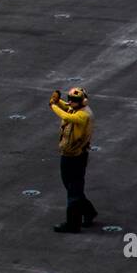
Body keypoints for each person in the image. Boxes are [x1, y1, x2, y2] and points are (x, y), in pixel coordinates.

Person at [48, 88, 97, 233]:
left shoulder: (83, 115)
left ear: (83, 101)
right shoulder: (75, 107)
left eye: (73, 100)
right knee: (71, 187)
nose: (70, 102)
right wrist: (58, 101)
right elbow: (66, 107)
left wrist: (53, 106)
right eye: (69, 99)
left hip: (77, 157)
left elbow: (67, 117)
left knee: (73, 191)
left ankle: (73, 224)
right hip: (68, 155)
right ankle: (89, 211)